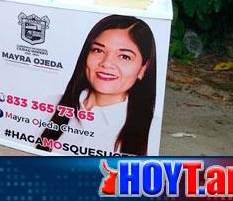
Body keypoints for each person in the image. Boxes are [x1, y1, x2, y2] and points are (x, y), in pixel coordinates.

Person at [37, 14, 157, 156]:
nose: (106, 63)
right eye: (98, 50)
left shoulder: (152, 127)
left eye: (124, 56)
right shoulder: (51, 104)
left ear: (143, 68)